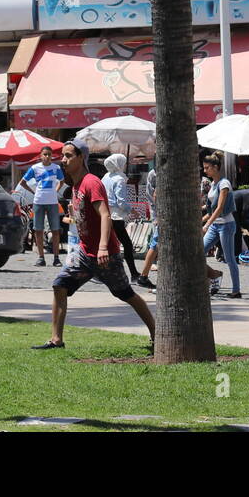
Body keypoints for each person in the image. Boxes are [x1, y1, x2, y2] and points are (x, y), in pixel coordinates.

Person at [34, 139, 155, 350]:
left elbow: (106, 215)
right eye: (62, 155)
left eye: (69, 155)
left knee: (125, 294)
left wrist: (102, 248)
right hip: (83, 253)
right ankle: (56, 340)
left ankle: (157, 334)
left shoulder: (91, 182)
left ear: (81, 158)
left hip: (105, 254)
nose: (63, 159)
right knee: (59, 286)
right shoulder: (75, 184)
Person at [103, 153, 151, 289]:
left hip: (106, 214)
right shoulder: (119, 179)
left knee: (108, 244)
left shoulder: (106, 176)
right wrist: (133, 211)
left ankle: (106, 272)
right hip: (116, 216)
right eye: (123, 163)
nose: (125, 166)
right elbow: (122, 202)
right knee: (127, 245)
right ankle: (134, 274)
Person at [201, 153, 241, 298]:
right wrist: (202, 220)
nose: (205, 171)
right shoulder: (213, 184)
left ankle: (236, 290)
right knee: (199, 253)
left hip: (226, 225)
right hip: (215, 225)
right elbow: (211, 209)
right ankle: (213, 278)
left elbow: (219, 208)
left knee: (229, 258)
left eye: (207, 168)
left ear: (216, 167)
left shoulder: (224, 184)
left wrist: (206, 225)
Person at [20, 145, 65, 267]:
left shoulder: (56, 168)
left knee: (55, 230)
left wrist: (56, 190)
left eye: (49, 154)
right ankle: (41, 257)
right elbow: (22, 182)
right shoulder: (35, 168)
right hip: (38, 201)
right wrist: (34, 192)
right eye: (45, 154)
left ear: (52, 156)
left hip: (53, 202)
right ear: (40, 156)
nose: (47, 157)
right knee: (38, 230)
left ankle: (56, 258)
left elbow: (62, 180)